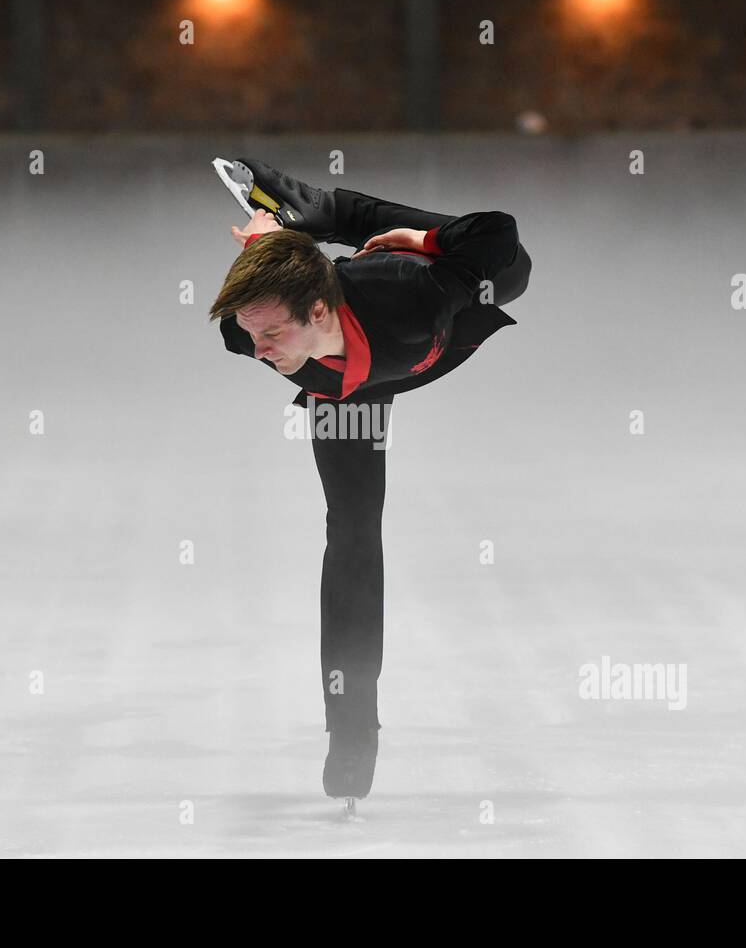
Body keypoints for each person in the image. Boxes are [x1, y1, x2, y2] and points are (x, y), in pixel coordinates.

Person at [207, 159, 532, 808]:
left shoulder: (411, 297)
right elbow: (260, 323)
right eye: (254, 334)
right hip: (347, 386)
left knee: (513, 270)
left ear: (318, 312)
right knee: (352, 535)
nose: (261, 350)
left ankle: (325, 210)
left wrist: (427, 242)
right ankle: (351, 729)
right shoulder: (250, 336)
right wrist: (268, 250)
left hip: (419, 313)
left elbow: (497, 231)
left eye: (271, 333)